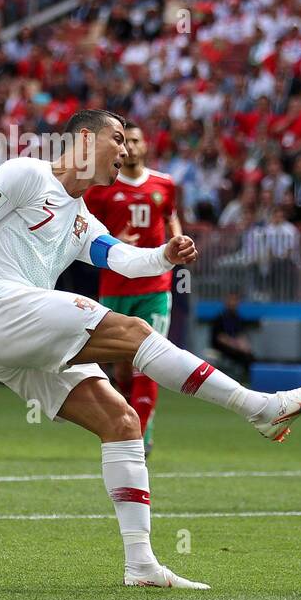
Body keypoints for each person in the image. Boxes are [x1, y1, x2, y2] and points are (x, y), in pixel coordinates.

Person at [0, 109, 301, 589]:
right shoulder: (26, 174)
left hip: (12, 338)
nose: (125, 150)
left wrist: (164, 255)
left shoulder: (80, 219)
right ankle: (258, 407)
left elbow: (121, 258)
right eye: (116, 139)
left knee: (121, 422)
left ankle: (140, 565)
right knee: (135, 331)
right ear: (82, 138)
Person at [83, 121, 182, 455]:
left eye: (136, 141)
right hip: (115, 285)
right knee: (122, 365)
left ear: (146, 145)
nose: (131, 147)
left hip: (155, 286)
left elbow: (171, 217)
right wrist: (113, 240)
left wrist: (177, 242)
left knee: (148, 359)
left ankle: (139, 436)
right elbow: (86, 229)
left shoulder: (164, 184)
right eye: (125, 142)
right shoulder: (101, 188)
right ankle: (129, 405)